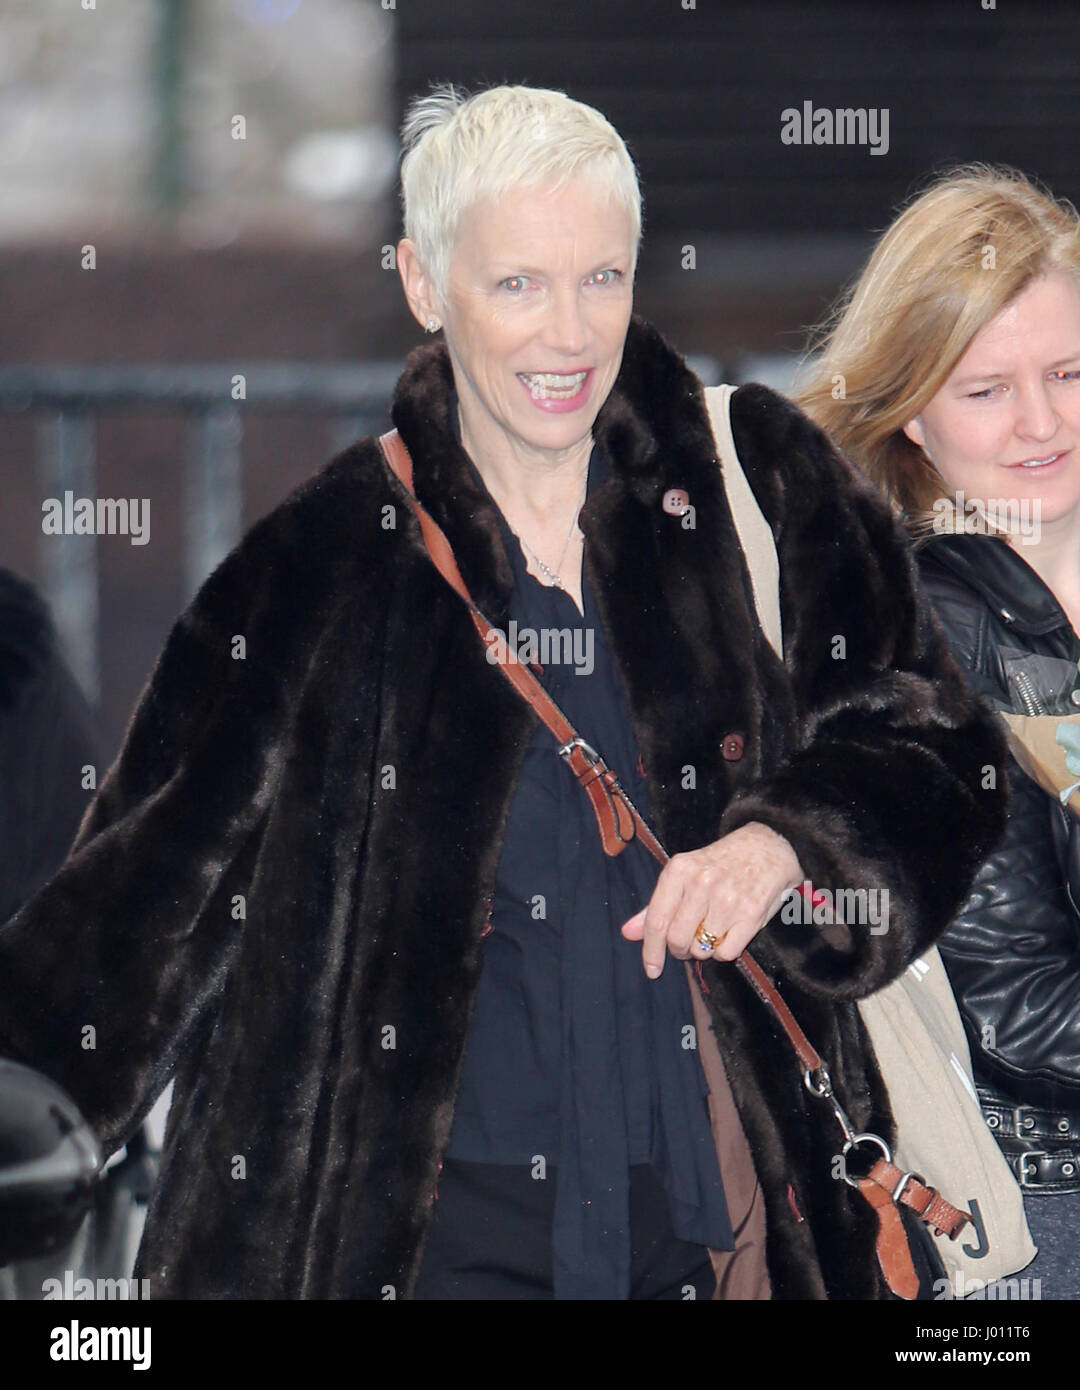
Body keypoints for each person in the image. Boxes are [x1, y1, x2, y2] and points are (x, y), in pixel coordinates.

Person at [0, 86, 1005, 1301]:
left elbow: (936, 743)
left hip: (724, 1228)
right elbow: (137, 898)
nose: (569, 334)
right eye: (518, 284)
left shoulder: (758, 481)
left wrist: (791, 849)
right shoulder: (321, 559)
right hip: (418, 1249)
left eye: (602, 277)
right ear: (426, 286)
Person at [798, 163, 1080, 1298]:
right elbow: (1016, 1004)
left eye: (1070, 372)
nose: (1042, 423)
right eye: (985, 390)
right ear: (911, 408)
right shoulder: (922, 632)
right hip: (1036, 1216)